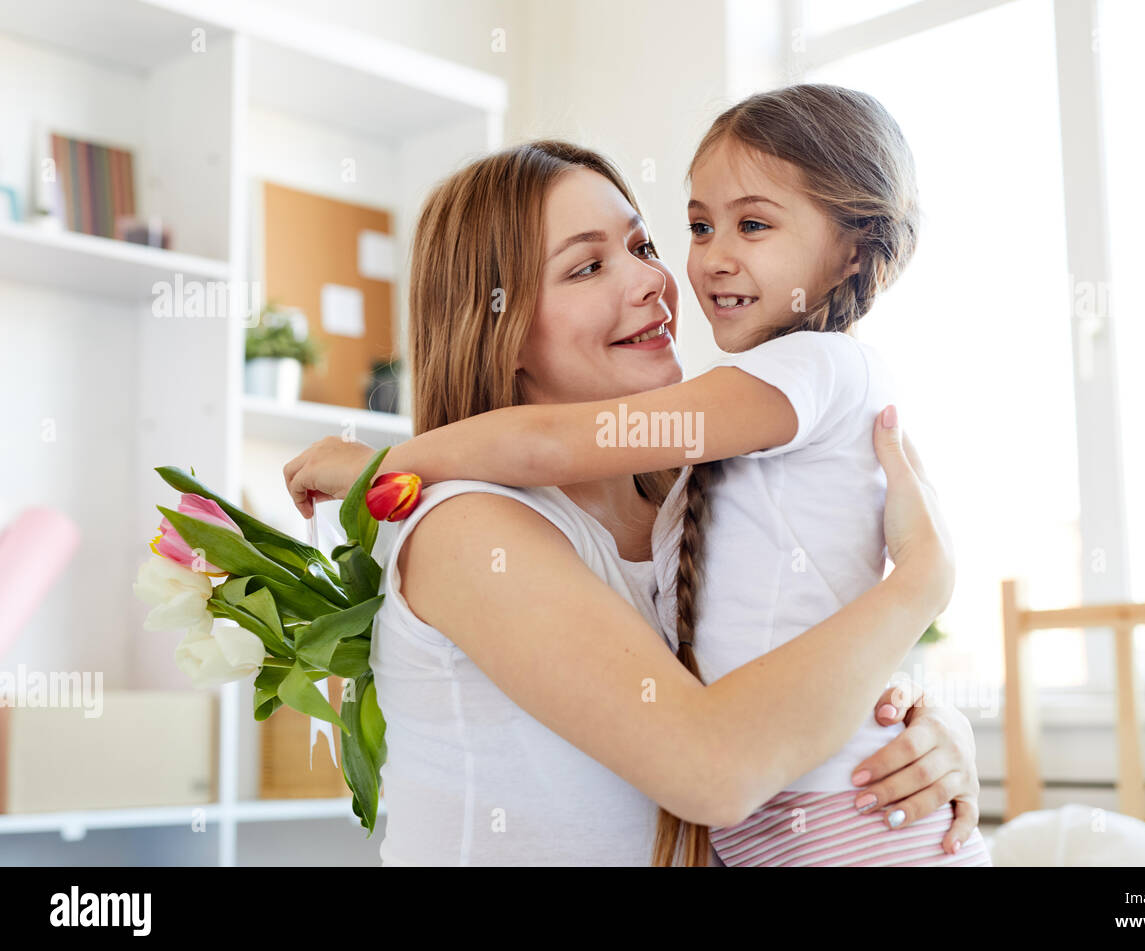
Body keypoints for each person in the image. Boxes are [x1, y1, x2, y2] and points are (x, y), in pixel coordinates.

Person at [284, 136, 980, 866]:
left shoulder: (703, 500)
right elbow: (717, 769)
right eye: (587, 266)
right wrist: (919, 588)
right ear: (500, 326)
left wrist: (925, 728)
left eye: (644, 245)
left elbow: (784, 674)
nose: (654, 281)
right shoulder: (466, 527)